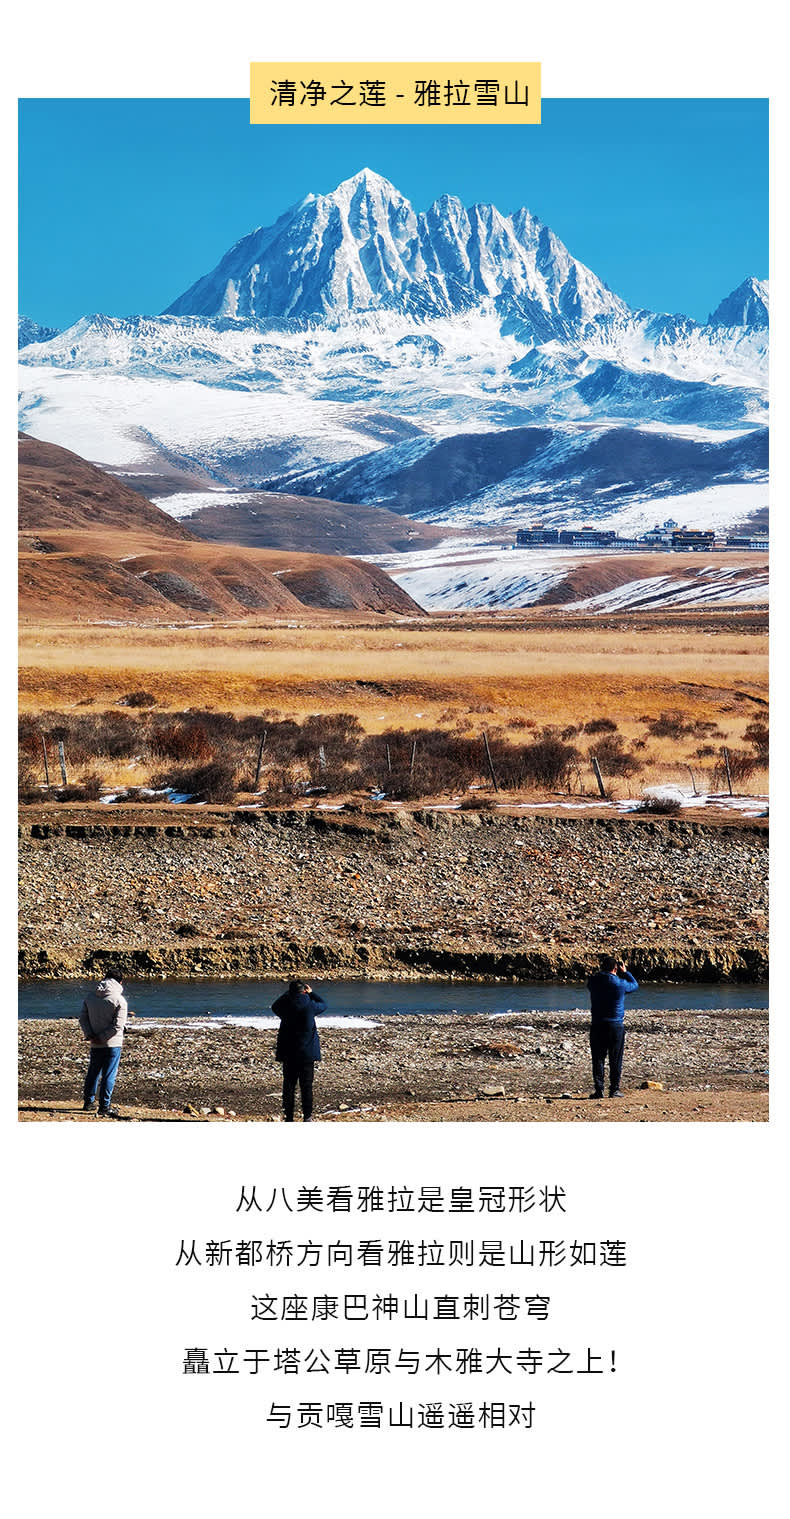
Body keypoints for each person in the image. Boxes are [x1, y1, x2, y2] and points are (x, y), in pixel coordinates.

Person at [272, 979, 327, 1122]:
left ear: (290, 992)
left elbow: (274, 1006)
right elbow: (324, 1005)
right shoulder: (310, 1005)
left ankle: (289, 1117)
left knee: (289, 1086)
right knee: (306, 1086)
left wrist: (287, 994)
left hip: (289, 1053)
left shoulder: (285, 1005)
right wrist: (312, 993)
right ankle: (307, 1116)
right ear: (304, 991)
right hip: (307, 1053)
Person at [586, 954, 639, 1099]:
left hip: (597, 1024)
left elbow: (591, 980)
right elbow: (635, 986)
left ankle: (599, 1089)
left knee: (598, 1058)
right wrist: (626, 972)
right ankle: (614, 1089)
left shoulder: (594, 982)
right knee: (615, 1058)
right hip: (615, 1025)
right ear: (616, 968)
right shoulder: (620, 984)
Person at [78, 970, 129, 1117]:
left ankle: (88, 1102)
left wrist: (91, 1035)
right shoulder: (120, 1000)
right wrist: (103, 1037)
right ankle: (104, 1106)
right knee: (109, 1074)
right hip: (113, 1043)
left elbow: (83, 1018)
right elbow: (118, 1026)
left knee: (93, 1072)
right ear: (120, 982)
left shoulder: (90, 997)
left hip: (94, 1041)